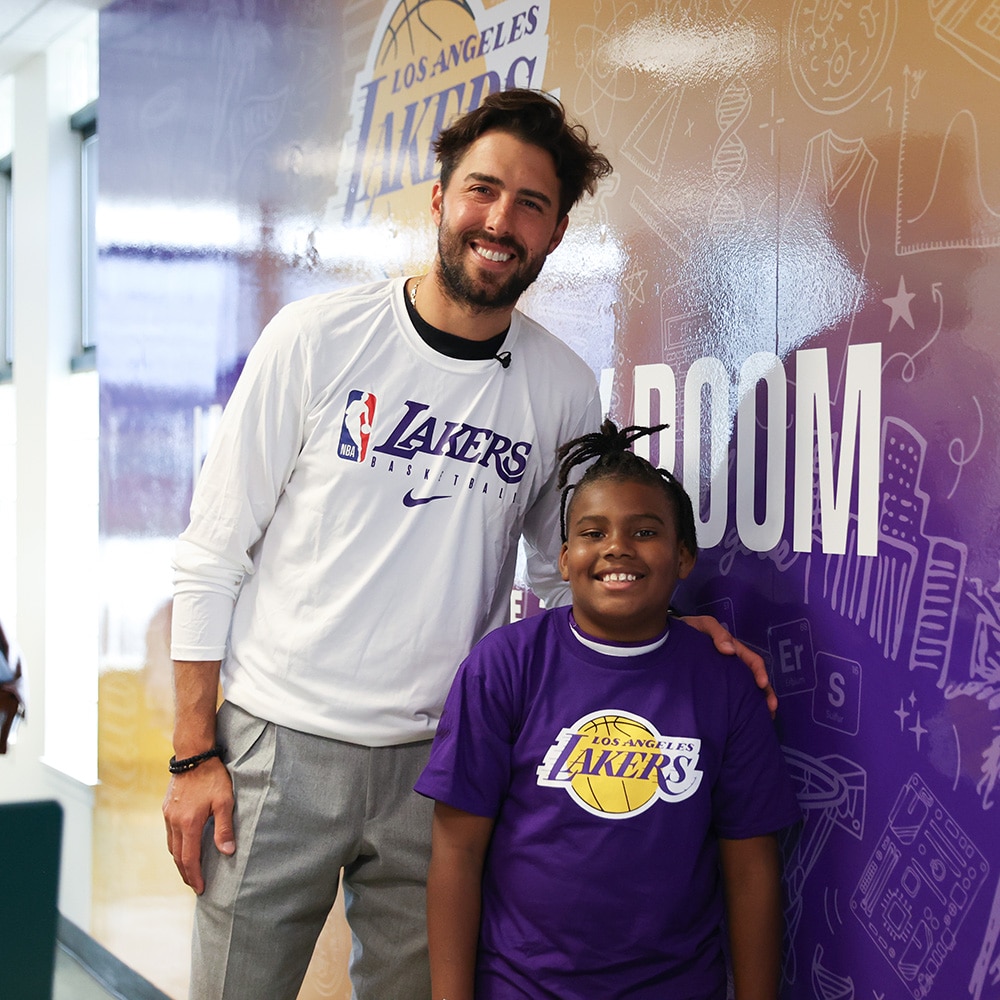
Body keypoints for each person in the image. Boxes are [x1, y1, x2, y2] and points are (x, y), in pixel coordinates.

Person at [163, 89, 773, 1000]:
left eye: (531, 203)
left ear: (557, 232)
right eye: (483, 190)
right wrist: (193, 753)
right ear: (440, 196)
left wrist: (673, 638)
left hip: (443, 759)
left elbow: (569, 573)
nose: (501, 220)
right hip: (277, 747)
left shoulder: (562, 388)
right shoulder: (316, 339)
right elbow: (213, 552)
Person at [416, 420, 801, 1000]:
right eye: (593, 533)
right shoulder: (505, 666)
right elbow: (457, 850)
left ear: (683, 557)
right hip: (521, 987)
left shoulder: (723, 682)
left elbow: (750, 869)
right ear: (565, 558)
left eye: (644, 531)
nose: (617, 546)